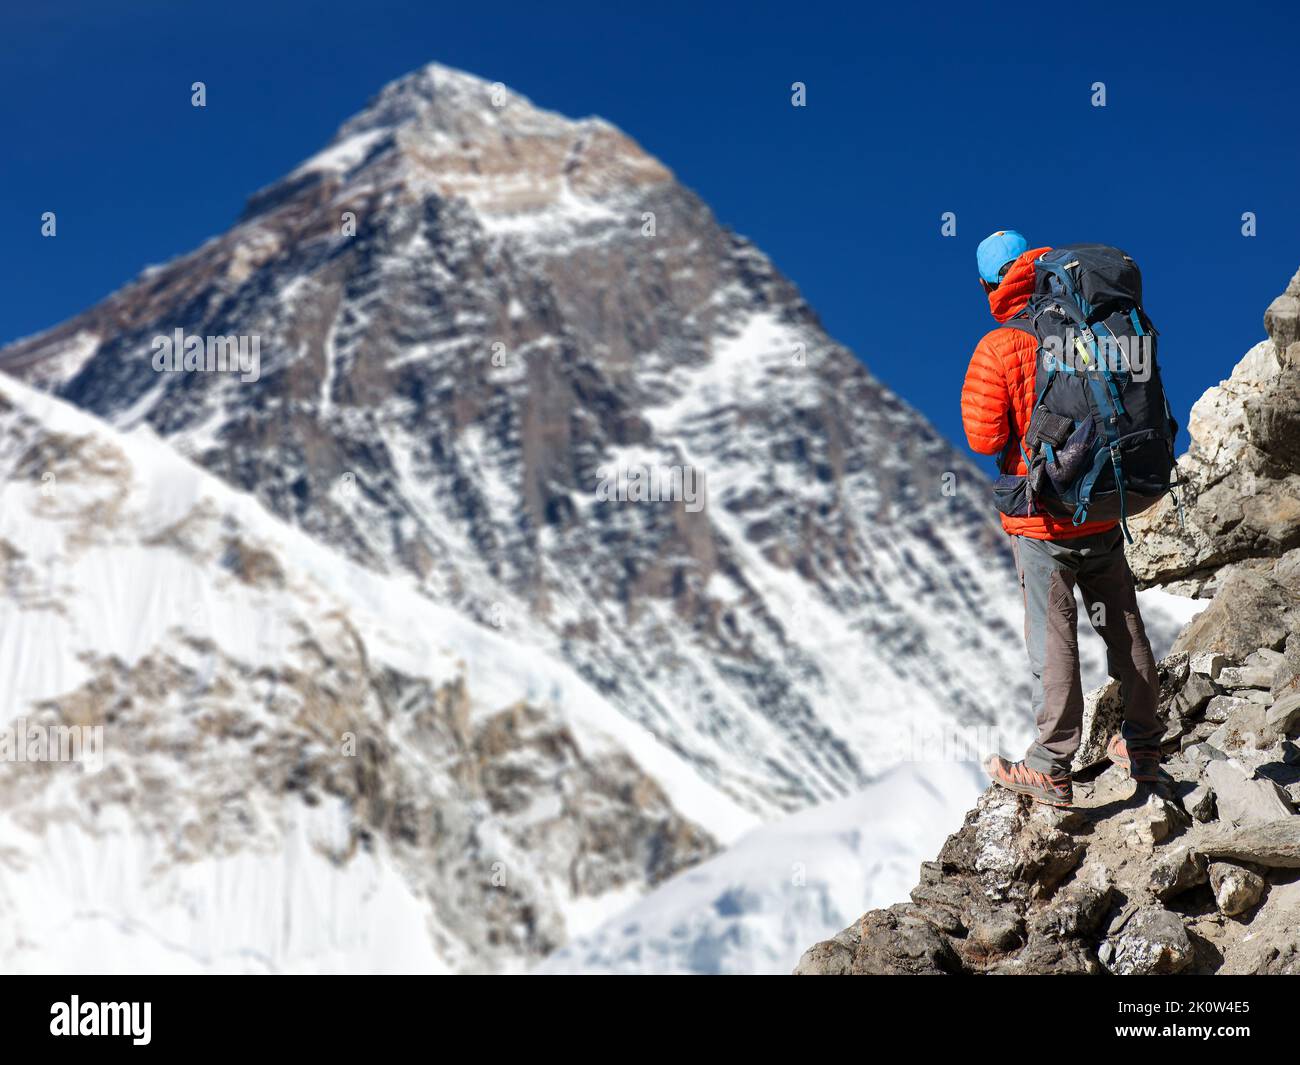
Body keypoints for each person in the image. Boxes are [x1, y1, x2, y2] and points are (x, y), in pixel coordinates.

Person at [961, 230, 1165, 807]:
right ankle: (1146, 748)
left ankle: (1052, 765)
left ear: (988, 285)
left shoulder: (1001, 346)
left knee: (1054, 644)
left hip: (1045, 523)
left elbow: (984, 436)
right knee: (1126, 632)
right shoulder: (1093, 326)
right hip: (1104, 503)